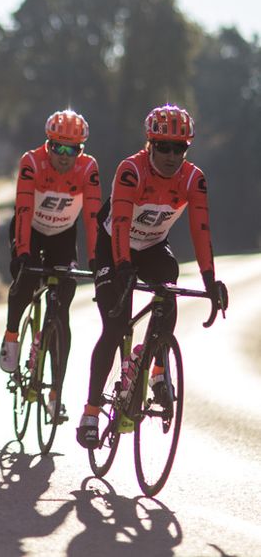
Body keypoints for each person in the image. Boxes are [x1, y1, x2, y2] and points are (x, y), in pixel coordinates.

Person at [76, 105, 228, 448]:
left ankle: (157, 365)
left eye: (180, 148)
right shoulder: (131, 170)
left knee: (169, 280)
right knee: (115, 326)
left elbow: (201, 230)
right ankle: (90, 410)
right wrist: (123, 266)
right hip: (113, 246)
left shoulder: (193, 178)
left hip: (153, 246)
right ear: (151, 144)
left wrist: (209, 280)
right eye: (165, 147)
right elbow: (119, 225)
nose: (172, 155)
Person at [0, 109, 102, 420]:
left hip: (61, 237)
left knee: (61, 313)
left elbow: (93, 218)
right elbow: (23, 209)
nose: (64, 155)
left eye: (73, 149)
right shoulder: (32, 162)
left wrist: (97, 259)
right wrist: (22, 252)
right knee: (25, 282)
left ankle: (56, 392)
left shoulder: (88, 169)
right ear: (48, 144)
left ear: (81, 150)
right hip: (29, 230)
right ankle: (12, 335)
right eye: (58, 147)